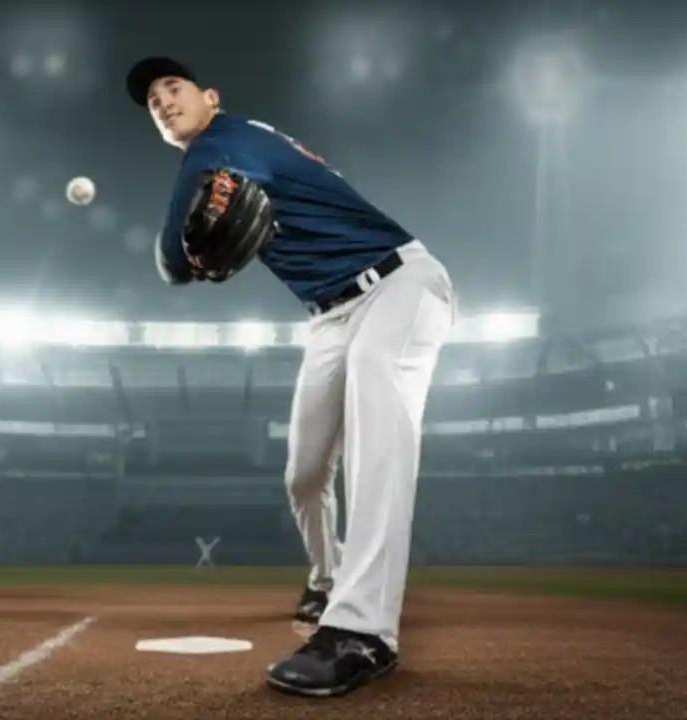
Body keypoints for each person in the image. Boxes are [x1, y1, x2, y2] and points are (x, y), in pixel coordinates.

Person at [127, 57, 457, 697]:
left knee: (376, 406)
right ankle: (326, 577)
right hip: (330, 315)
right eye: (152, 103)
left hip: (399, 283)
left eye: (173, 88)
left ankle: (364, 630)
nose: (163, 101)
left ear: (210, 96)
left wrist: (189, 257)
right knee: (305, 473)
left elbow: (171, 261)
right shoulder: (237, 143)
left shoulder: (223, 141)